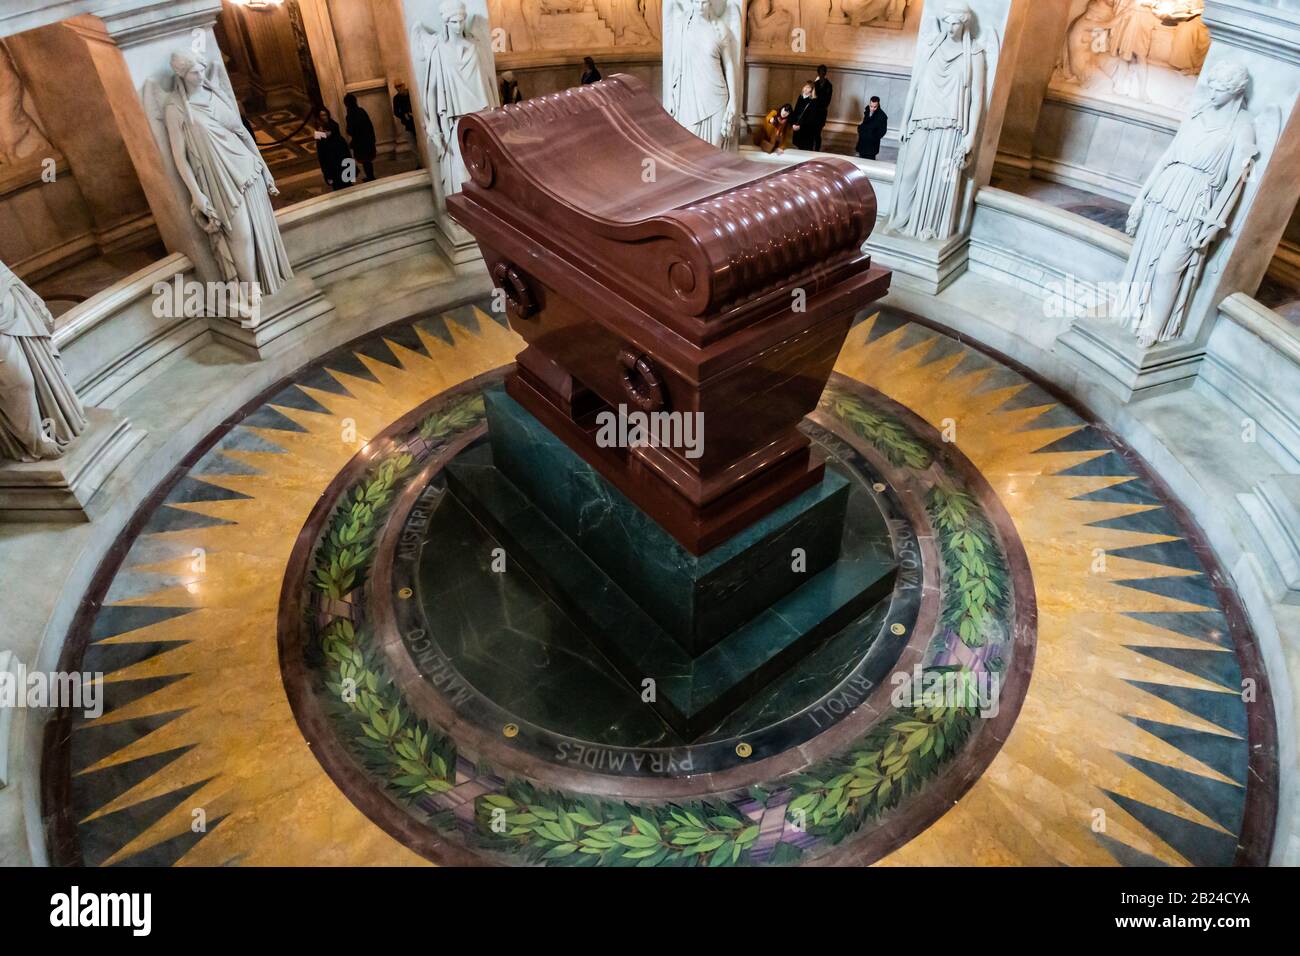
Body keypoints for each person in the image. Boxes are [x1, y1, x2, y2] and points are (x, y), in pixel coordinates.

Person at [0, 261, 86, 462]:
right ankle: (36, 441)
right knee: (20, 382)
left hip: (9, 302)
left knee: (34, 374)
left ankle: (50, 428)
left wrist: (29, 296)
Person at [313, 107, 353, 191]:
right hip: (331, 161)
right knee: (338, 184)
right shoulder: (319, 130)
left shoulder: (334, 125)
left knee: (347, 183)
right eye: (322, 115)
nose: (324, 117)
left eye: (325, 115)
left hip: (340, 156)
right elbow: (322, 156)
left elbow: (332, 134)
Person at [343, 93, 376, 182]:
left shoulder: (350, 115)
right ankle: (370, 176)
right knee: (368, 160)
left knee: (365, 161)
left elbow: (350, 130)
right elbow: (369, 125)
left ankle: (370, 177)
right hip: (368, 139)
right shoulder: (361, 110)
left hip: (359, 142)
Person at [790, 80, 823, 151]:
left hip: (806, 128)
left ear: (812, 90)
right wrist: (793, 123)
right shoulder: (801, 97)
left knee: (806, 148)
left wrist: (800, 126)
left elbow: (811, 117)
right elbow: (796, 111)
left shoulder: (813, 101)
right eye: (805, 87)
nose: (805, 89)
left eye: (808, 88)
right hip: (797, 124)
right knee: (798, 146)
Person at [812, 64, 833, 149]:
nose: (821, 73)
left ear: (825, 72)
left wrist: (818, 101)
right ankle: (811, 148)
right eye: (820, 71)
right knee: (812, 132)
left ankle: (817, 149)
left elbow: (827, 100)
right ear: (818, 72)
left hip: (821, 112)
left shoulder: (829, 85)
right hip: (813, 112)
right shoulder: (815, 84)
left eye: (823, 71)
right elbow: (812, 97)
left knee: (818, 132)